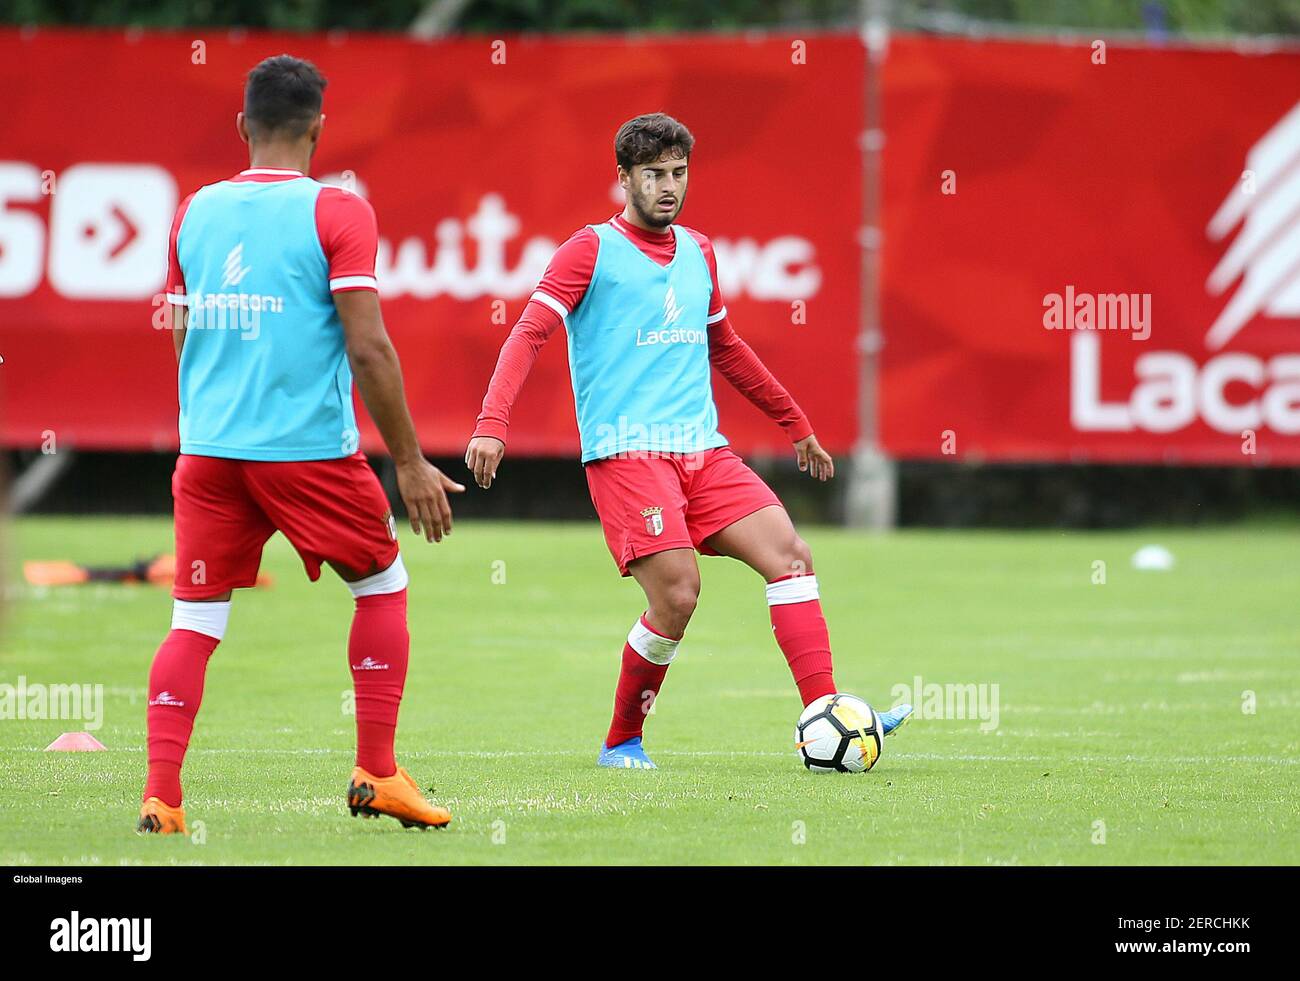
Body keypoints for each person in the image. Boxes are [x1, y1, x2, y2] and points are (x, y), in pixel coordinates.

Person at [465, 113, 911, 769]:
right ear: (623, 178)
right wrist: (491, 423)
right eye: (654, 175)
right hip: (627, 454)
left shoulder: (699, 251)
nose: (668, 187)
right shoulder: (588, 250)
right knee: (677, 593)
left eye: (678, 173)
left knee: (791, 556)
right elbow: (528, 333)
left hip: (702, 451)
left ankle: (829, 714)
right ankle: (621, 740)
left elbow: (725, 348)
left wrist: (796, 422)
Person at [140, 55, 463, 833]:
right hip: (307, 452)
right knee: (381, 586)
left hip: (210, 452)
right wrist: (412, 461)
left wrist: (213, 409)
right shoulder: (340, 211)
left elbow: (181, 329)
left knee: (194, 621)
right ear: (319, 127)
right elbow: (370, 349)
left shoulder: (195, 211)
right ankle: (378, 772)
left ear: (243, 126)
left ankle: (163, 797)